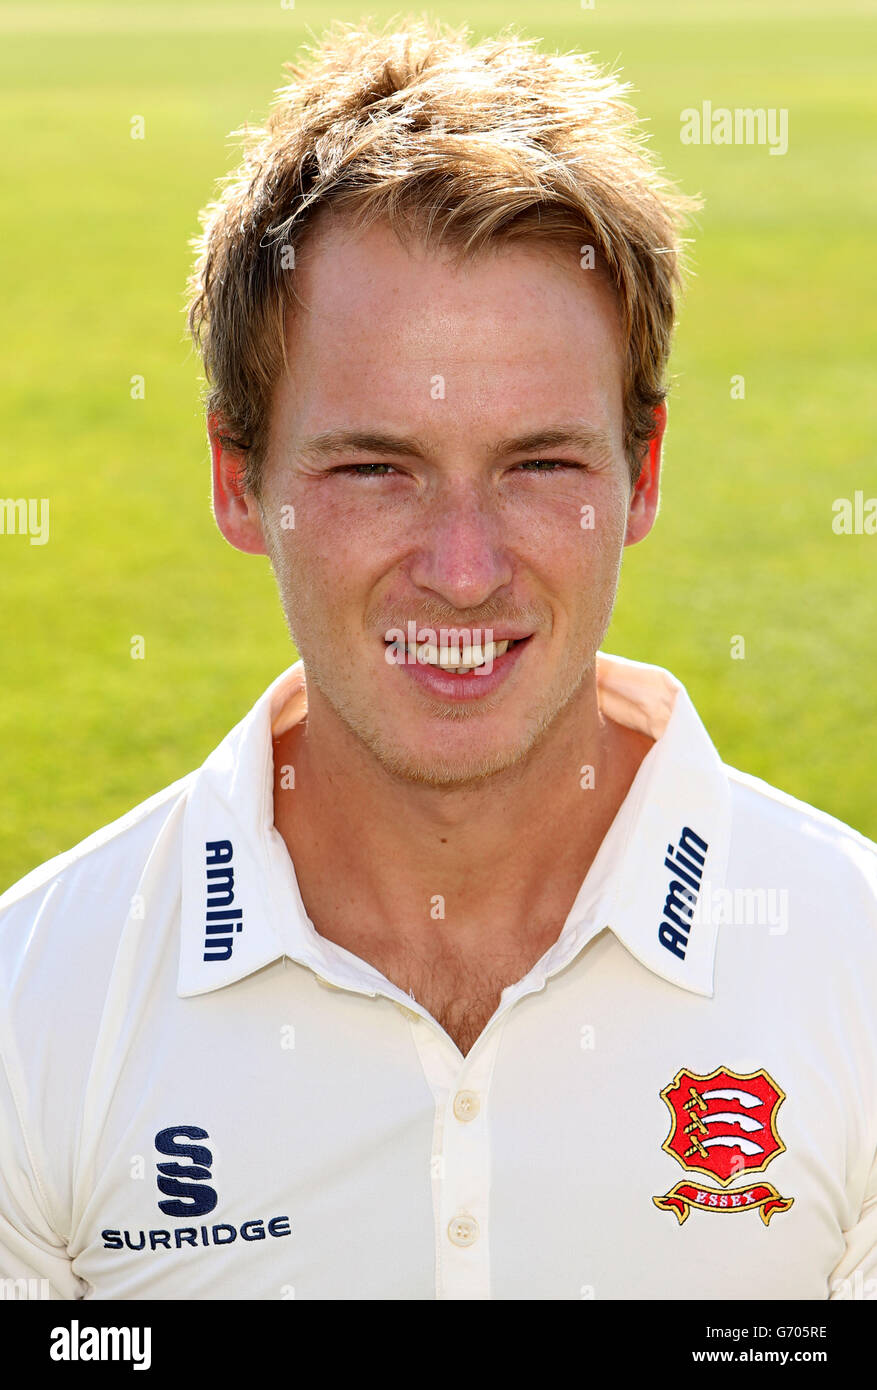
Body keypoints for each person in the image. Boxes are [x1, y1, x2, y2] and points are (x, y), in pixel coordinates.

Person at [1, 18, 874, 1302]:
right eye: (374, 468)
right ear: (239, 482)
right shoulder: (33, 1011)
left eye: (538, 464)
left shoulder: (852, 969)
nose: (463, 569)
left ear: (642, 473)